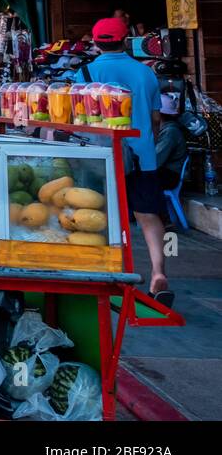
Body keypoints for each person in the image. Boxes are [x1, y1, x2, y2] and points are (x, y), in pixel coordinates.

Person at [84, 16, 171, 305]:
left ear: (96, 43)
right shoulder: (145, 73)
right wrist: (148, 143)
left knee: (99, 214)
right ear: (126, 41)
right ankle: (158, 271)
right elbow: (156, 119)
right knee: (148, 215)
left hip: (101, 156)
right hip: (142, 155)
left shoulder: (85, 72)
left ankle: (107, 271)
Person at [155, 91, 189, 193]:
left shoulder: (170, 132)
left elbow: (157, 160)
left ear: (159, 114)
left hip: (169, 175)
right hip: (165, 172)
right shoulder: (165, 129)